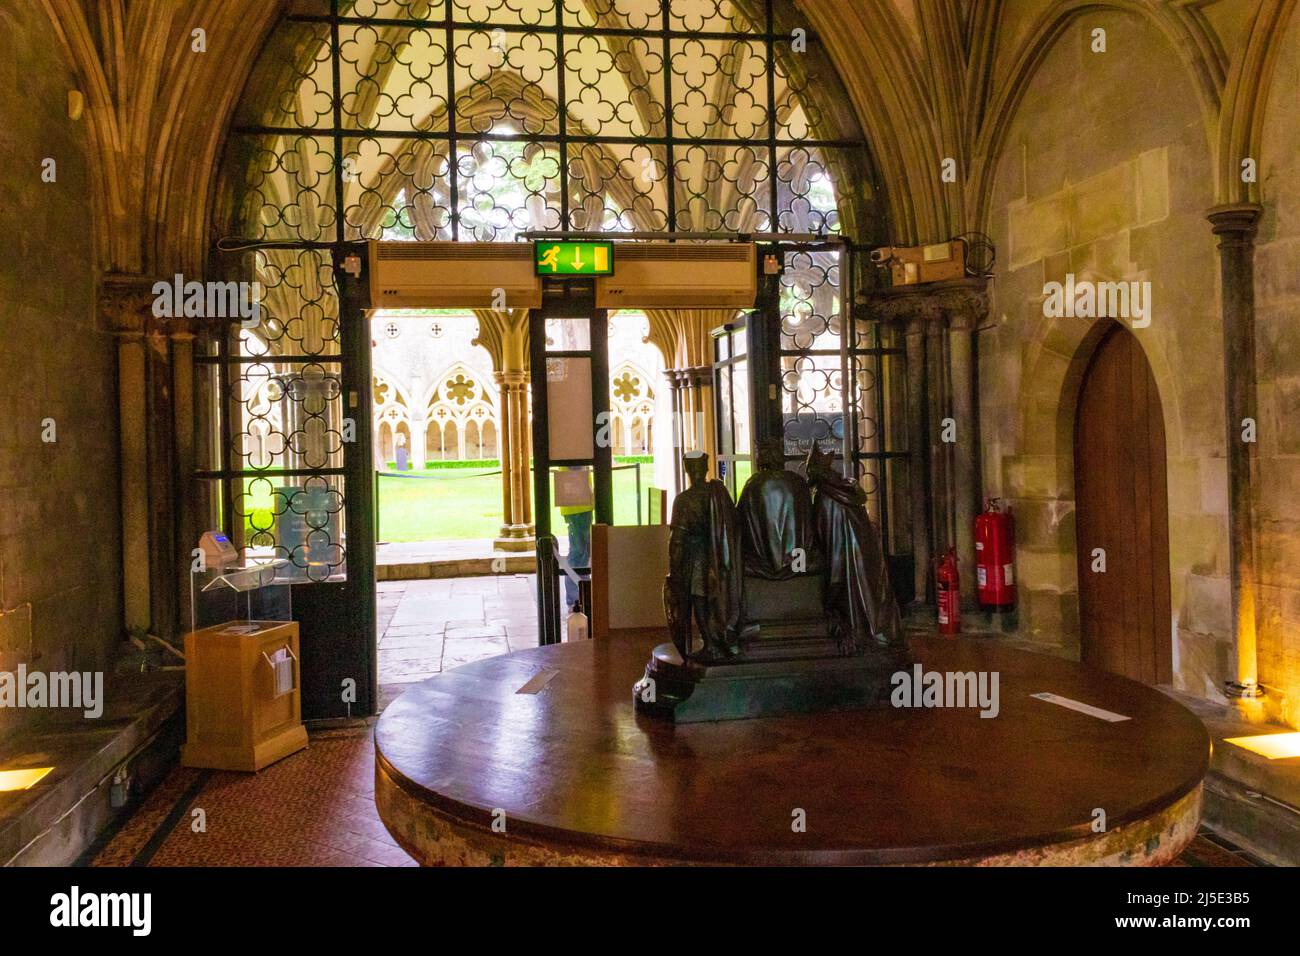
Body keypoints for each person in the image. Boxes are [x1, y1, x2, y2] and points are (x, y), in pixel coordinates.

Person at [805, 442, 904, 653]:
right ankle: (883, 636)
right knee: (873, 603)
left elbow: (834, 549)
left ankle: (867, 638)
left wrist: (828, 596)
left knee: (858, 616)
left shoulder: (826, 499)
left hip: (849, 569)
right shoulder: (846, 493)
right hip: (867, 564)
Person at [664, 451, 742, 661]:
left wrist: (675, 567)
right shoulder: (718, 493)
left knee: (699, 599)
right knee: (716, 598)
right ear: (706, 468)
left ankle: (711, 643)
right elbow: (734, 522)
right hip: (720, 554)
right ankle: (717, 641)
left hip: (697, 555)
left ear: (687, 470)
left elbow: (677, 539)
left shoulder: (683, 500)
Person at [736, 437, 819, 579]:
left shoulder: (753, 485)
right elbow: (811, 522)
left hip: (761, 566)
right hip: (798, 563)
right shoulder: (797, 482)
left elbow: (739, 523)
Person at [557, 466, 594, 611]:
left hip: (580, 504)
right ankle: (576, 599)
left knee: (582, 552)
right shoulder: (574, 447)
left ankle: (582, 595)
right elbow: (576, 465)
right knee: (578, 552)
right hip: (577, 504)